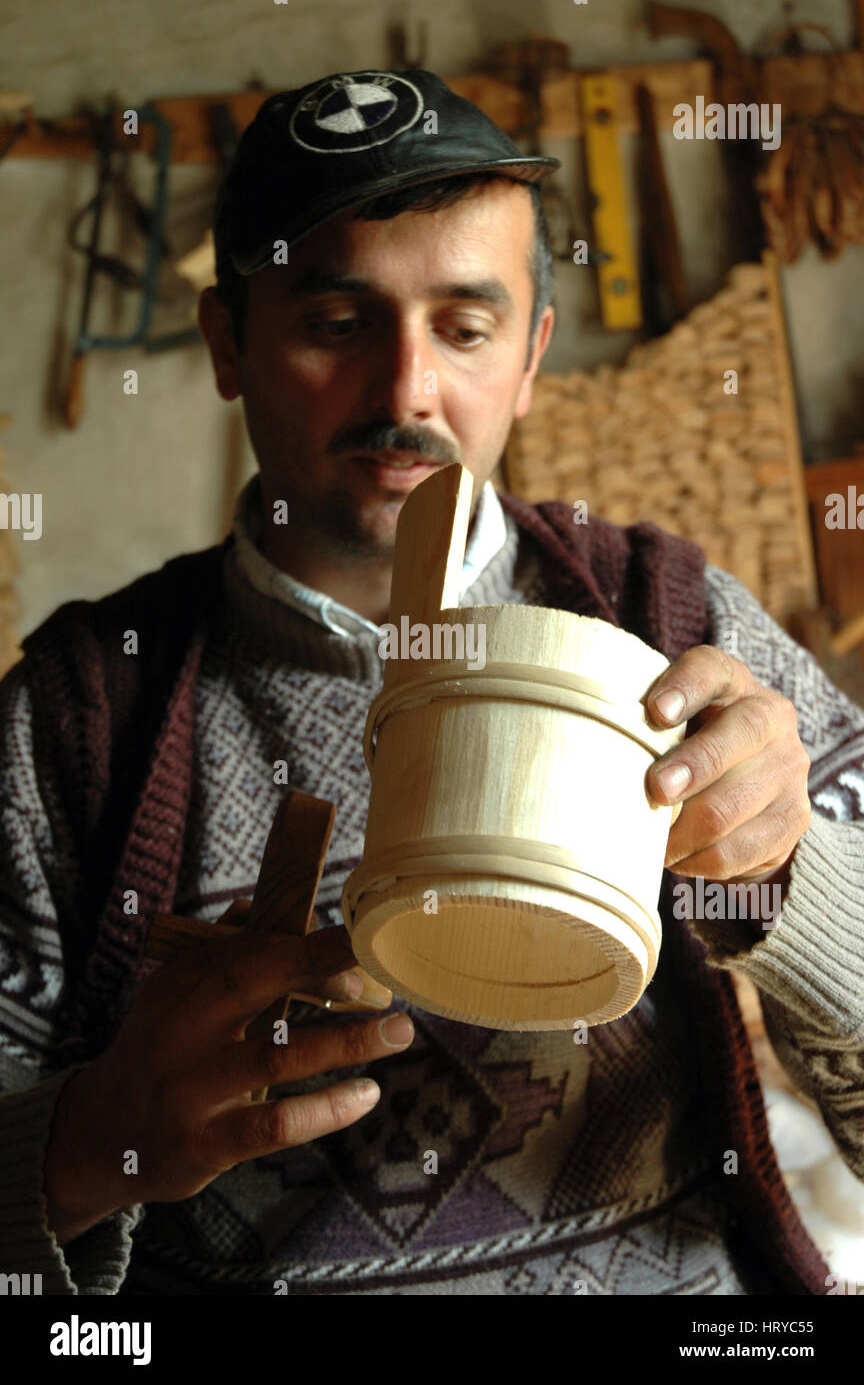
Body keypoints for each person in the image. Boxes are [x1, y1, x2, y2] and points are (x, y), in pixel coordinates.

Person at [0, 68, 862, 1297]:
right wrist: (87, 1143)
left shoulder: (676, 626)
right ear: (228, 343)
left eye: (464, 328)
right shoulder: (74, 725)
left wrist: (796, 875)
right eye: (336, 324)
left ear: (530, 359)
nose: (407, 391)